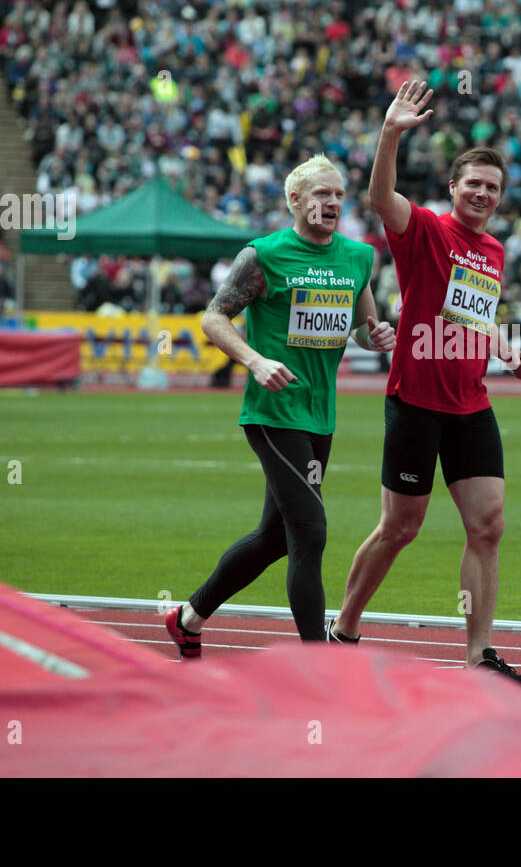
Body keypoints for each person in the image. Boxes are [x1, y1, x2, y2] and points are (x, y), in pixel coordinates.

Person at [328, 81, 521, 688]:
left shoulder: (493, 250)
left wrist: (504, 347)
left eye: (492, 187)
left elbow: (472, 315)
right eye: (472, 183)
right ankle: (343, 630)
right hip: (415, 402)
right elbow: (379, 196)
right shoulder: (422, 229)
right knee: (401, 528)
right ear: (453, 187)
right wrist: (391, 132)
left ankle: (479, 656)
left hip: (471, 404)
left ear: (499, 198)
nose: (482, 193)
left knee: (489, 525)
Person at [164, 156, 396, 657]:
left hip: (320, 415)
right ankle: (319, 663)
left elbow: (363, 325)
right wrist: (254, 360)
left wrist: (375, 336)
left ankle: (187, 618)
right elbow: (213, 318)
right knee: (310, 531)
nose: (332, 203)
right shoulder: (263, 255)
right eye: (321, 194)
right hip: (273, 411)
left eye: (339, 195)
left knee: (274, 537)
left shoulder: (359, 257)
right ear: (295, 200)